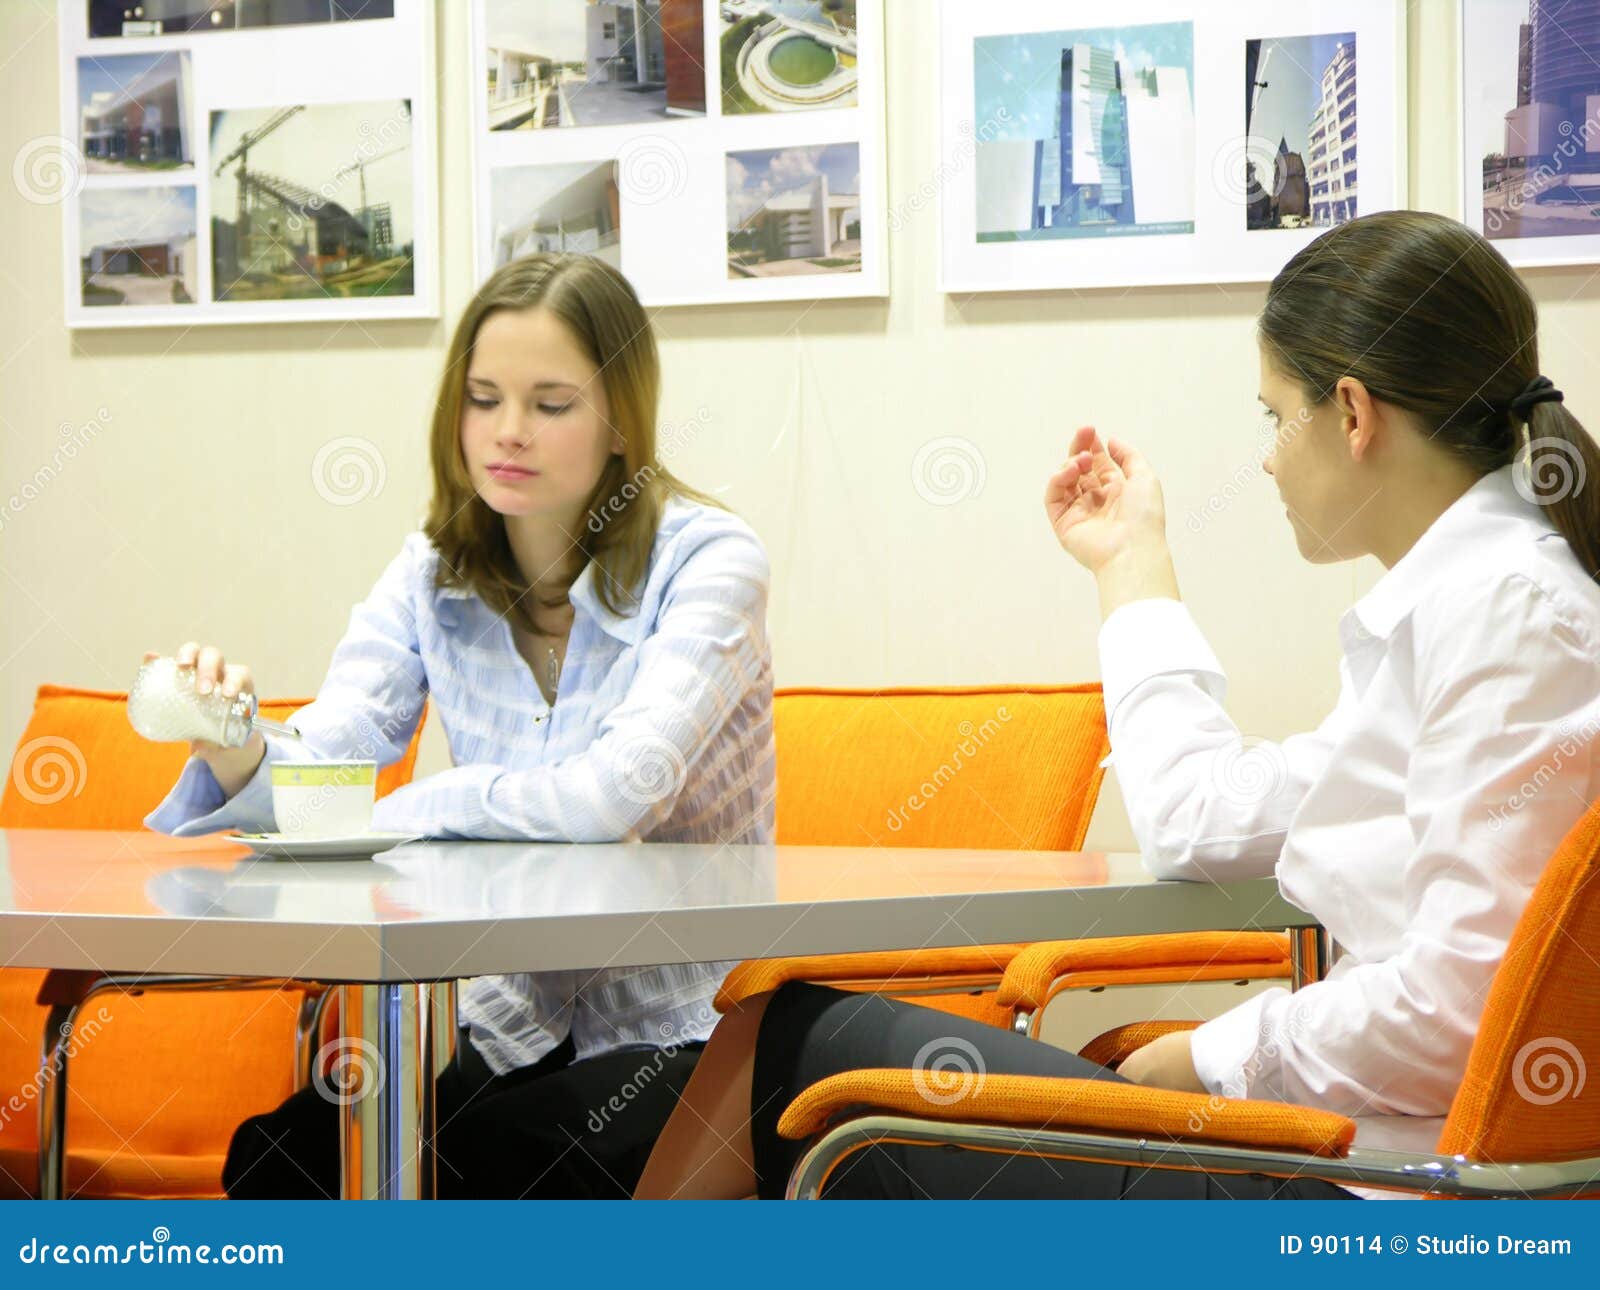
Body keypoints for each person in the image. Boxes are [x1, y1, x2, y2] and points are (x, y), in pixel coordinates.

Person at [635, 210, 1600, 1201]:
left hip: (1386, 1197)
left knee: (790, 1036)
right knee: (778, 1035)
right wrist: (1129, 562)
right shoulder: (1479, 605)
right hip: (1358, 1153)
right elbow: (1200, 821)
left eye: (1274, 416)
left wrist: (1210, 1057)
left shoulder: (1509, 618)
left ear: (1351, 414)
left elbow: (1465, 1007)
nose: (1267, 457)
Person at [143, 252, 776, 1198]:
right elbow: (330, 774)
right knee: (285, 1160)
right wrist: (235, 743)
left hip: (687, 1032)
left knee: (486, 1165)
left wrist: (419, 803)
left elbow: (616, 793)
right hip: (508, 1017)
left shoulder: (712, 561)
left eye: (551, 403)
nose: (507, 433)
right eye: (484, 398)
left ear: (619, 423)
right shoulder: (431, 570)